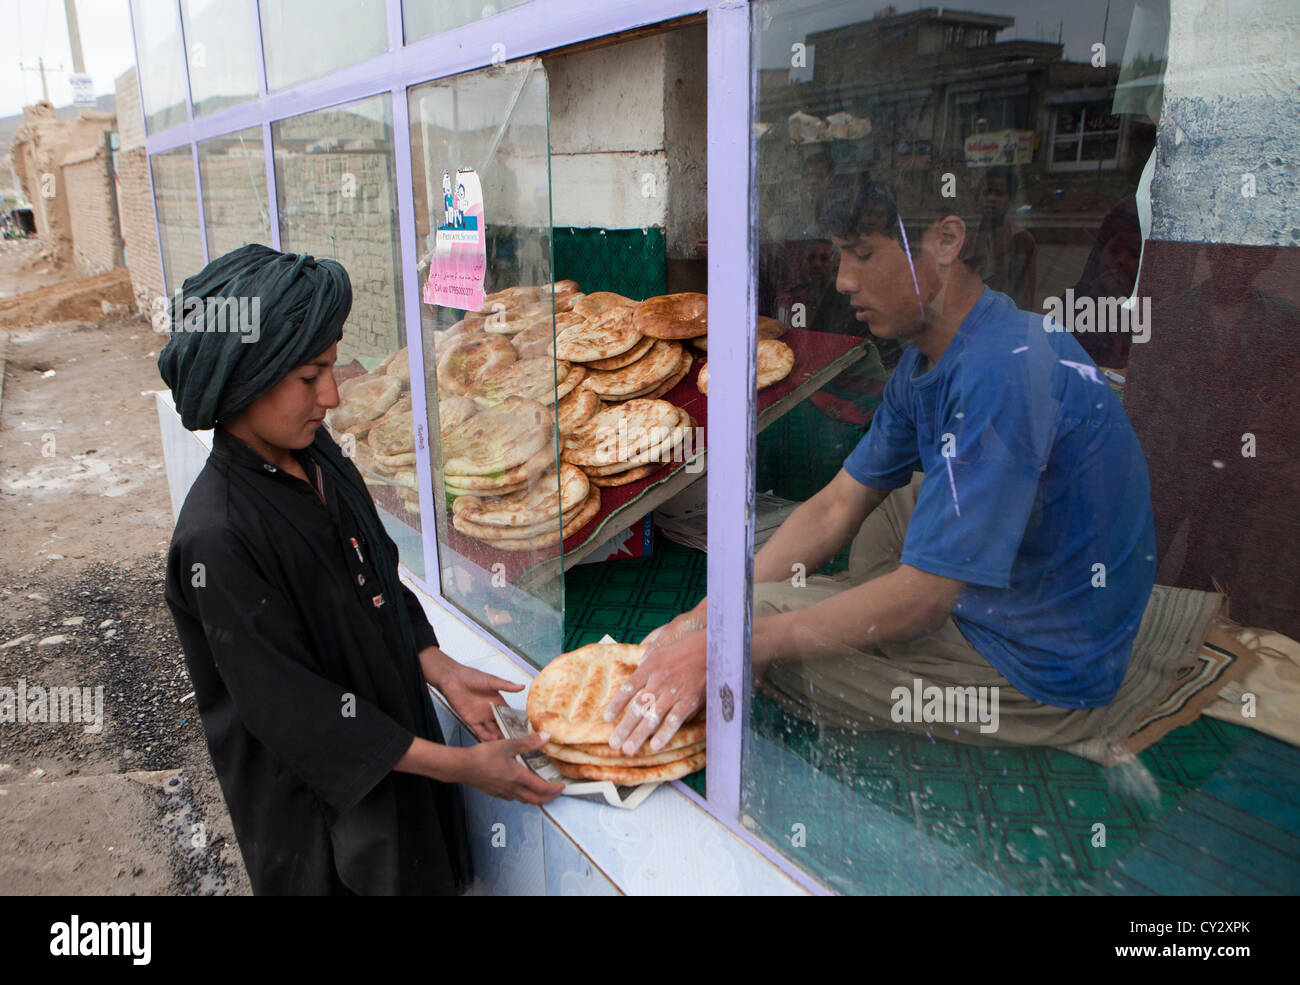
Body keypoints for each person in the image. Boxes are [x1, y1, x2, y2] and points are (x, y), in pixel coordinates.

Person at [604, 179, 1157, 756]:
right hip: (1029, 578)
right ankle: (851, 610)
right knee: (884, 503)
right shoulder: (939, 353)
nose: (843, 280)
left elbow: (926, 598)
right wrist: (708, 613)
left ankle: (852, 617)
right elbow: (838, 503)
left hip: (1038, 668)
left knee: (761, 634)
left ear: (946, 241)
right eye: (842, 254)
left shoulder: (1000, 375)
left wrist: (734, 643)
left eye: (863, 254)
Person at [158, 244, 562, 896]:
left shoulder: (316, 453)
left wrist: (438, 665)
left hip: (404, 775)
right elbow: (301, 716)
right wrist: (463, 766)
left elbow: (374, 573)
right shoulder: (220, 537)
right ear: (244, 376)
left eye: (332, 364)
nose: (334, 391)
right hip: (325, 831)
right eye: (309, 375)